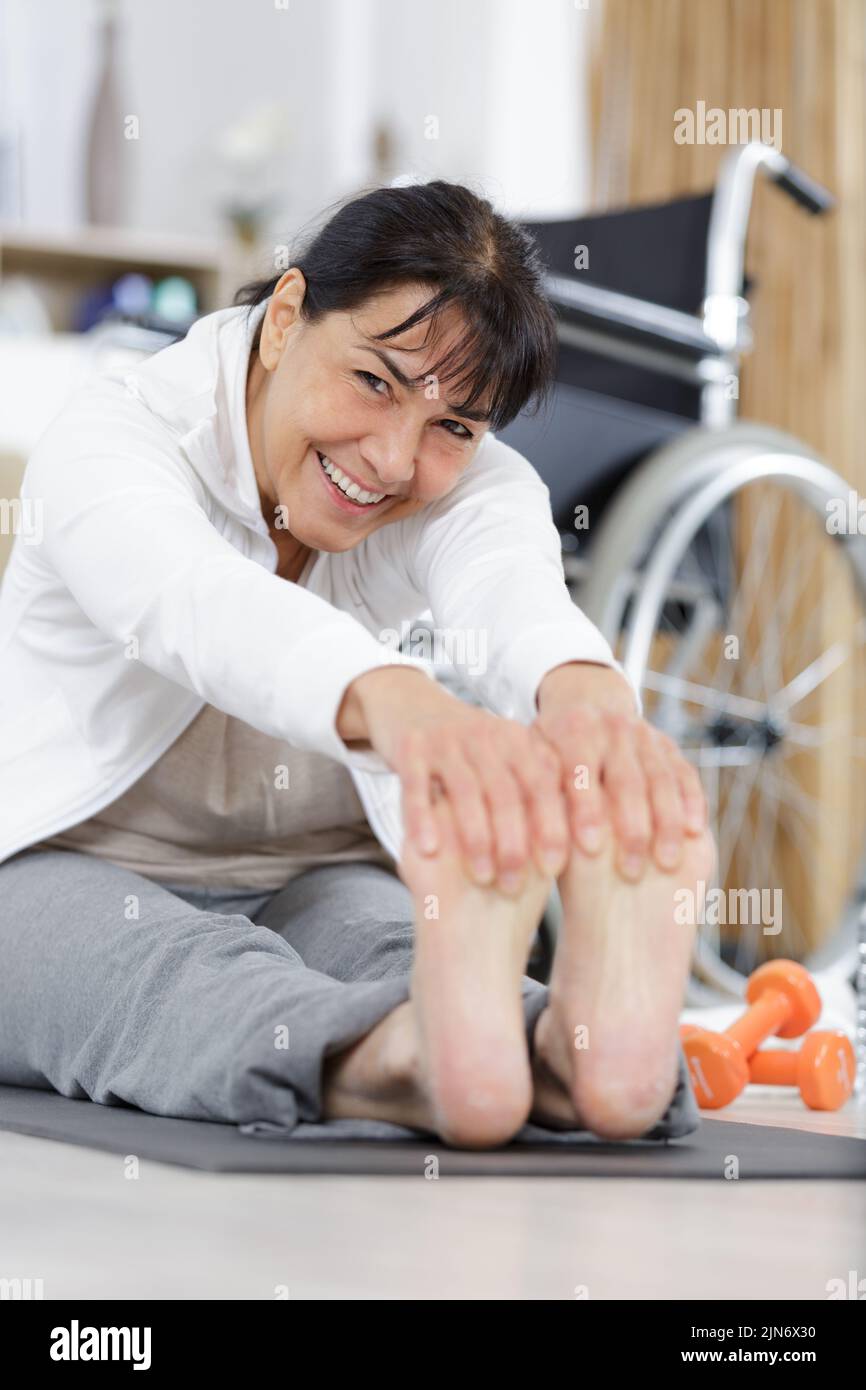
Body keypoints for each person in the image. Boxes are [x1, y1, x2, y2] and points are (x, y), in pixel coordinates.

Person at [0, 180, 714, 1149]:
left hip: (313, 865)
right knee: (158, 973)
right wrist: (400, 704)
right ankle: (437, 1056)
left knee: (394, 945)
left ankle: (561, 1048)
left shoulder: (467, 481)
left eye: (452, 427)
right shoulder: (113, 434)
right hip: (64, 860)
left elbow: (507, 578)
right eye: (374, 381)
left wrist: (587, 703)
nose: (389, 458)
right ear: (285, 317)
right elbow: (196, 603)